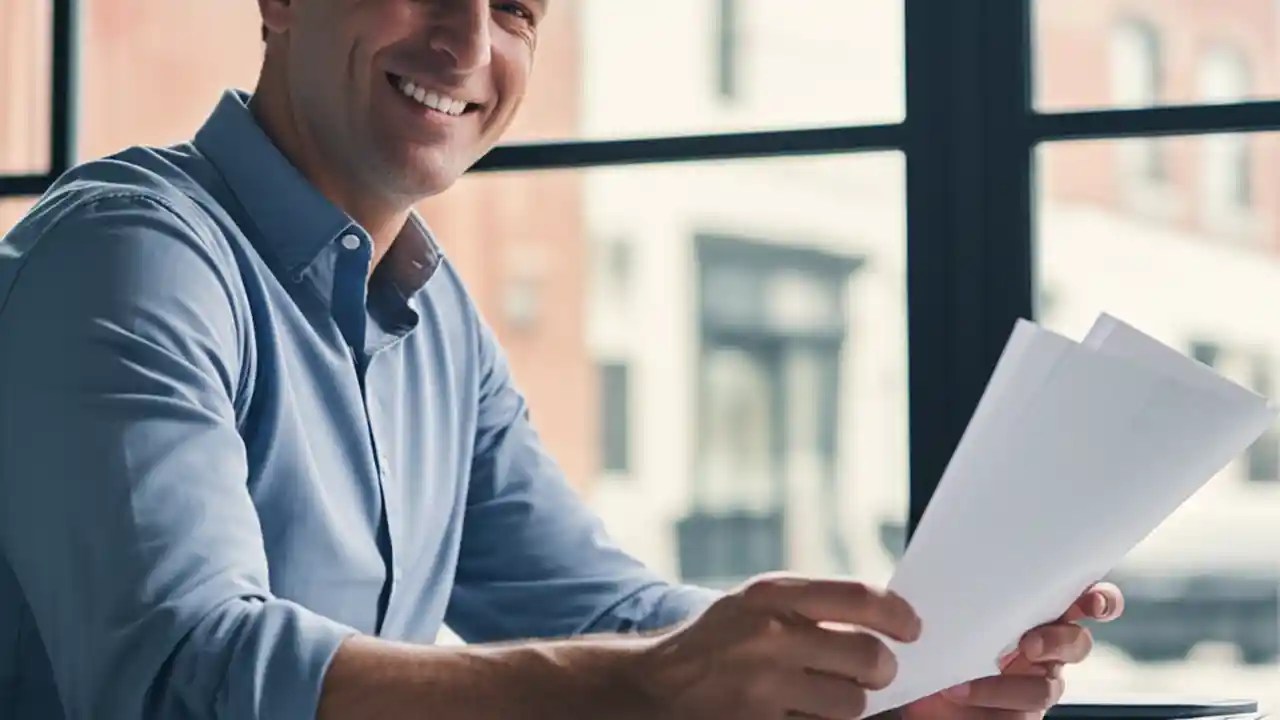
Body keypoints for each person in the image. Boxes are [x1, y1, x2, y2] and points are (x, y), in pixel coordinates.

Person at [0, 1, 1124, 718]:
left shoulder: (436, 321)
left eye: (514, 10)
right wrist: (649, 685)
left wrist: (887, 674)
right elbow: (180, 673)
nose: (465, 46)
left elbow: (605, 610)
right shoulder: (129, 256)